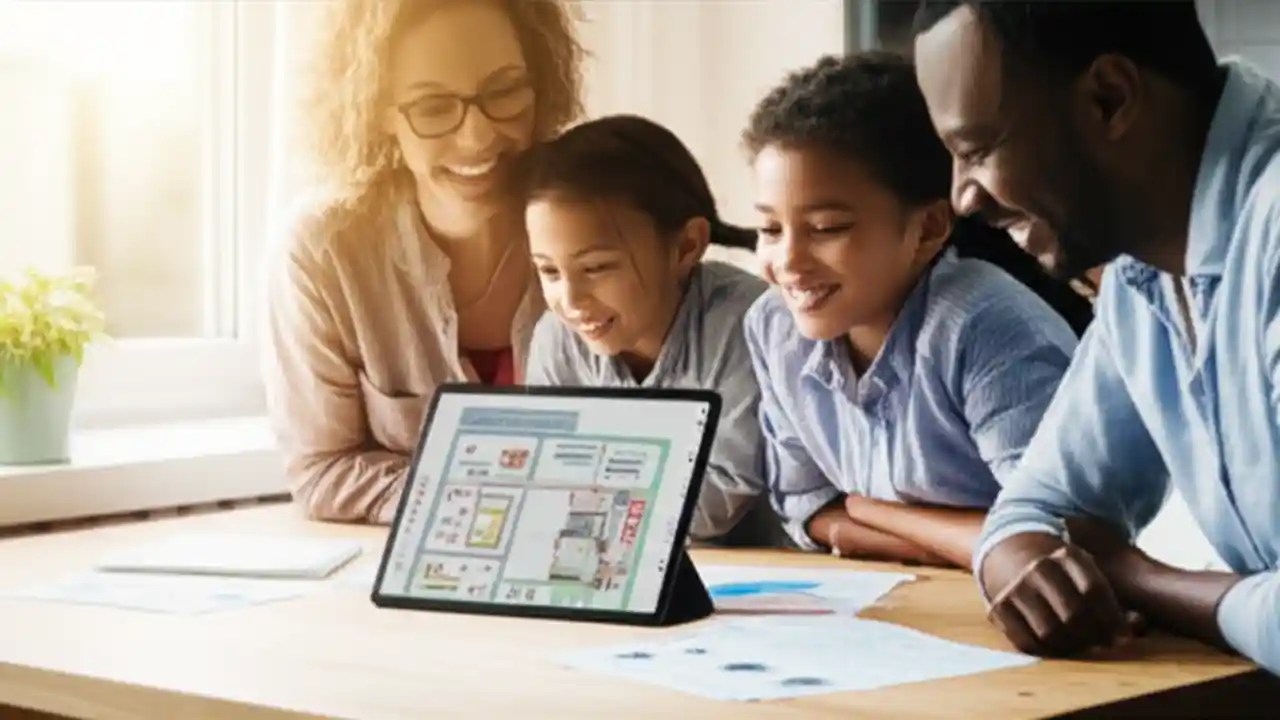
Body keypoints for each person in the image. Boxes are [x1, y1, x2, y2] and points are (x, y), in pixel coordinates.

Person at [913, 0, 1280, 672]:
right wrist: (1027, 564)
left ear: (1110, 99)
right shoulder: (1147, 264)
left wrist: (1136, 579)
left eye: (980, 149)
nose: (963, 197)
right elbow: (1035, 507)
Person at [741, 52, 1090, 568]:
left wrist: (870, 513)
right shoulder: (774, 327)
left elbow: (1053, 542)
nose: (787, 261)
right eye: (770, 230)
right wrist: (949, 541)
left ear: (927, 229)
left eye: (828, 228)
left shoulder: (986, 327)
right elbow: (804, 503)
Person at [263, 0, 584, 523]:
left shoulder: (599, 209)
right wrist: (493, 501)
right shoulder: (323, 254)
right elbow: (322, 470)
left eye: (503, 92)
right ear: (377, 112)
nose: (478, 136)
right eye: (433, 107)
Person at [521, 114, 785, 546]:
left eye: (596, 268)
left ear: (685, 246)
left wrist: (583, 486)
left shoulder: (751, 324)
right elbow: (542, 483)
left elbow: (715, 504)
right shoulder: (556, 338)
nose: (570, 299)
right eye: (548, 270)